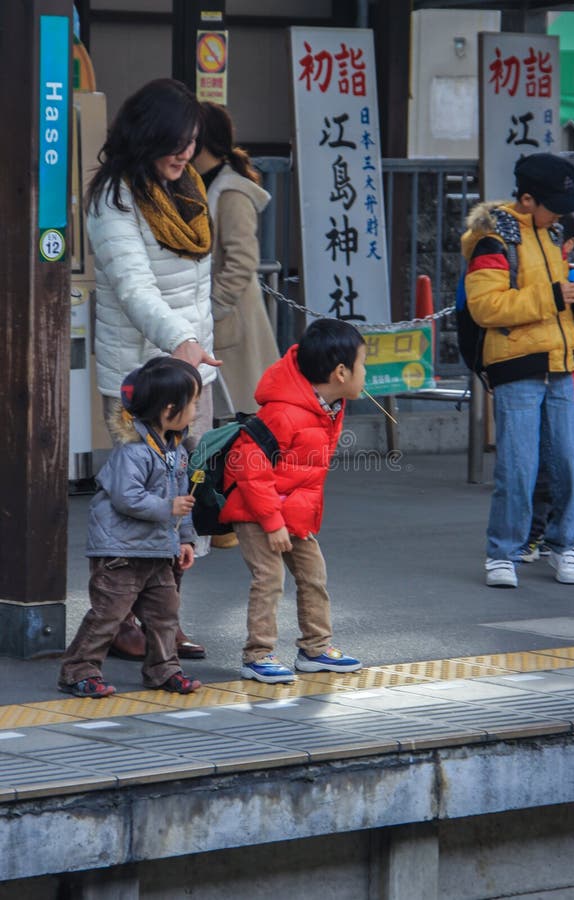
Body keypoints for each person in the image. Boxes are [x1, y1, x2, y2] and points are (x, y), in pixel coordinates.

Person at [86, 78, 220, 659]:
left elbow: (197, 288)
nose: (186, 152)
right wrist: (184, 340)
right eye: (175, 141)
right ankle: (119, 623)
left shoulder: (187, 188)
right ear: (145, 137)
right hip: (143, 381)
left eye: (191, 141)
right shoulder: (114, 198)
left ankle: (165, 620)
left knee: (184, 504)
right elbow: (134, 288)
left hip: (193, 373)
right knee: (137, 508)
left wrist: (197, 351)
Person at [461, 152, 574, 588]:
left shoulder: (552, 232)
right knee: (518, 465)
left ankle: (564, 543)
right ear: (529, 199)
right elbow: (486, 307)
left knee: (569, 463)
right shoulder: (492, 238)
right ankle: (504, 550)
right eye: (555, 203)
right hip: (516, 363)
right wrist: (556, 297)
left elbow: (560, 295)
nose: (563, 212)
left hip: (559, 361)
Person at [218, 318, 365, 684]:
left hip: (290, 511)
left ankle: (315, 648)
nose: (368, 372)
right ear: (341, 373)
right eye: (364, 364)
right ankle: (257, 655)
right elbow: (248, 467)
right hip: (257, 509)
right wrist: (272, 521)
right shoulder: (285, 413)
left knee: (313, 574)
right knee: (269, 578)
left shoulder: (327, 408)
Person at [58, 358, 203, 697]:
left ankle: (163, 668)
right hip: (120, 552)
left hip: (156, 550)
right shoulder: (134, 452)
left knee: (165, 613)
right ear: (169, 409)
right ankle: (78, 669)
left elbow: (183, 498)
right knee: (108, 615)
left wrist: (186, 540)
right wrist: (168, 509)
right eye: (193, 402)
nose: (196, 409)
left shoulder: (175, 450)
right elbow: (127, 497)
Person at [194, 101, 279, 419]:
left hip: (230, 320)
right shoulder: (206, 184)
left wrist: (214, 306)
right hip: (218, 319)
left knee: (235, 416)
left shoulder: (230, 192)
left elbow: (243, 261)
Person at [522, 212, 574, 562]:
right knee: (539, 465)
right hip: (535, 383)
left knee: (553, 465)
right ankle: (551, 530)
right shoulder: (531, 279)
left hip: (566, 388)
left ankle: (544, 533)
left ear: (568, 245)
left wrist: (571, 388)